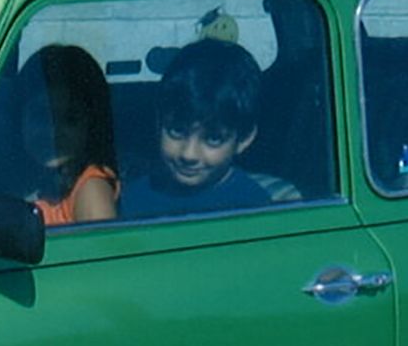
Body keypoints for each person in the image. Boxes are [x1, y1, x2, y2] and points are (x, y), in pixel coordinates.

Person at [120, 38, 271, 219]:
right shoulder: (135, 199)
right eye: (177, 131)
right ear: (159, 122)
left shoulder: (254, 206)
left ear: (244, 139)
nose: (188, 155)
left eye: (213, 139)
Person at [20, 45, 119, 226]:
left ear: (91, 125)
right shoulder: (23, 181)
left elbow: (105, 244)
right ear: (19, 117)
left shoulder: (89, 189)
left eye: (70, 119)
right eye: (41, 116)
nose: (53, 132)